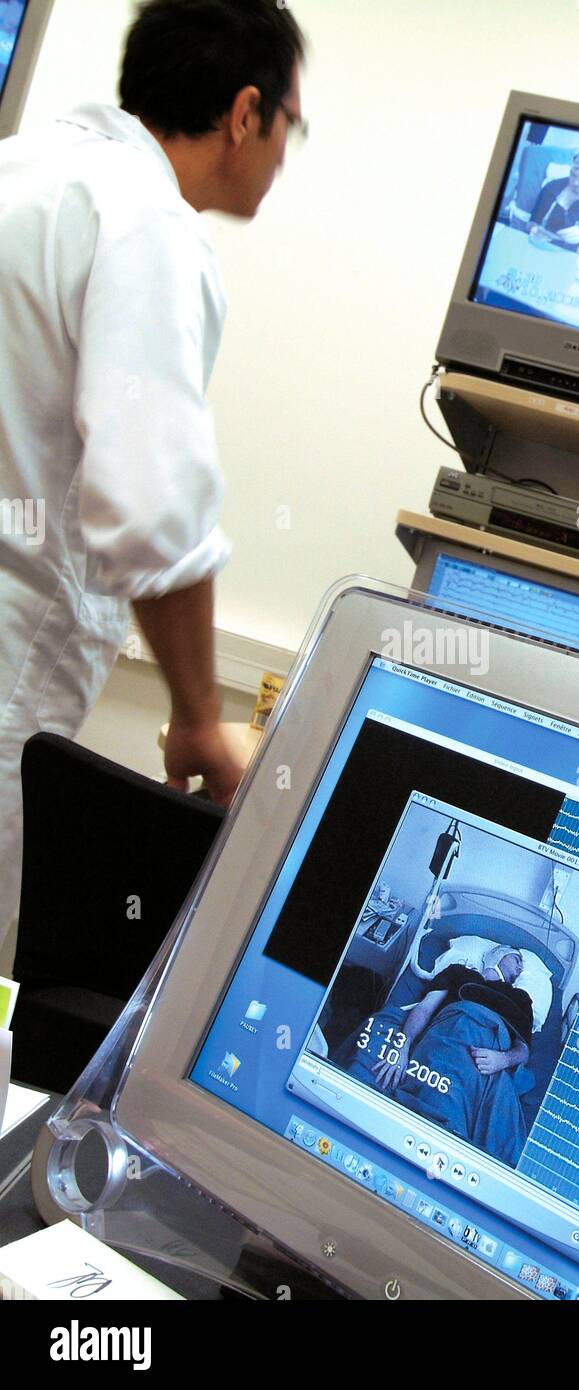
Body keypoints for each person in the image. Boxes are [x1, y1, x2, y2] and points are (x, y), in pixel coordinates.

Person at [0, 0, 306, 953]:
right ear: (246, 113)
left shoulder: (21, 166)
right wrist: (199, 718)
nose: (287, 152)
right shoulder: (147, 227)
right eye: (294, 123)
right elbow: (148, 502)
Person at [373, 945, 532, 1090]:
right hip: (443, 1037)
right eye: (517, 959)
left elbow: (523, 1050)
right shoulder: (458, 972)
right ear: (499, 954)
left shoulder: (521, 998)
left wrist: (503, 1060)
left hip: (482, 1059)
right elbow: (425, 1008)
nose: (521, 967)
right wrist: (402, 1046)